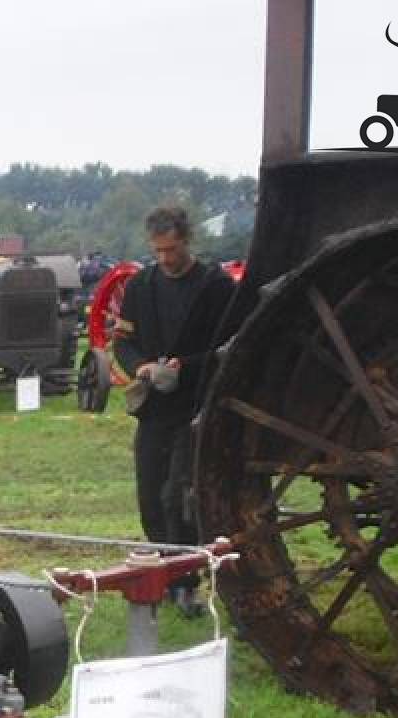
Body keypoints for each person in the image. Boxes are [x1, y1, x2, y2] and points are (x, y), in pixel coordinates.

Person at [112, 205, 238, 615]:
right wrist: (140, 367)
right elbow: (124, 342)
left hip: (195, 406)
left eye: (172, 249)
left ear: (187, 241)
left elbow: (231, 346)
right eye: (159, 251)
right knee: (150, 494)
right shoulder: (140, 286)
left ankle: (186, 582)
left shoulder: (216, 287)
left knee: (177, 496)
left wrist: (189, 366)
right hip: (153, 408)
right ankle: (164, 572)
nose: (166, 258)